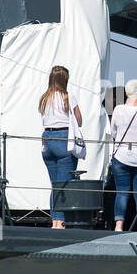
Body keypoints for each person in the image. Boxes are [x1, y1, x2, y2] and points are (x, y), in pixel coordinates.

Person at [108, 78, 137, 231]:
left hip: (122, 155)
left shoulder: (118, 109)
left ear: (127, 93)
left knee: (121, 192)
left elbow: (114, 132)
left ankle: (118, 225)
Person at [38, 65, 82, 228]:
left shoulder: (44, 98)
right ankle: (61, 222)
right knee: (65, 184)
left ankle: (55, 221)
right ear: (65, 80)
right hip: (64, 139)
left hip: (47, 141)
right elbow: (79, 121)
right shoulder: (68, 97)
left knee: (55, 185)